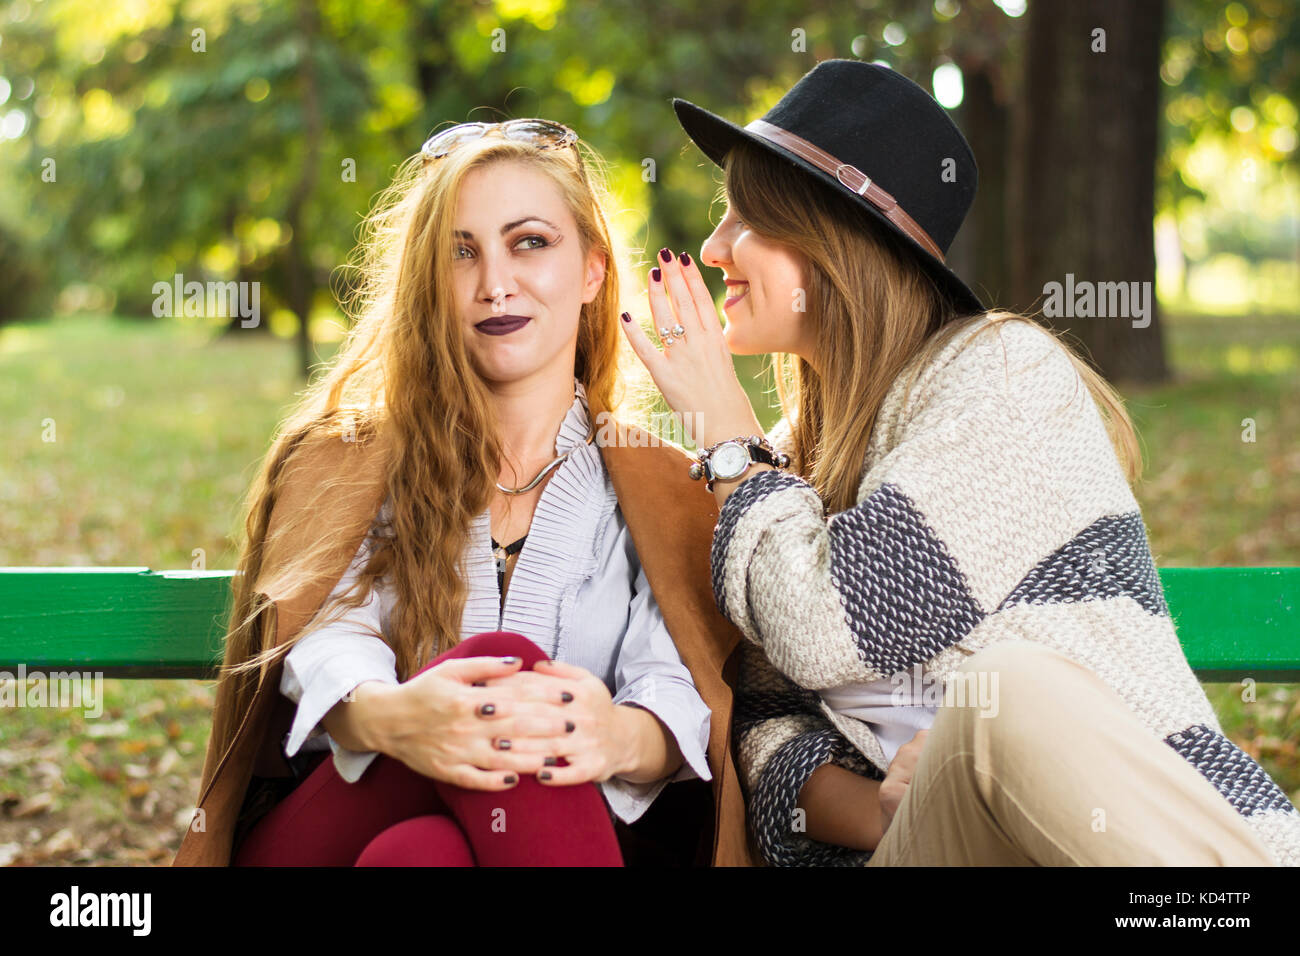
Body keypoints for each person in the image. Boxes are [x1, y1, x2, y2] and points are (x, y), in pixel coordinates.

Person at [620, 59, 1300, 866]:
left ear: (839, 244)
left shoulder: (1001, 376)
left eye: (747, 219)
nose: (712, 246)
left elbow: (823, 626)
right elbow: (768, 730)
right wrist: (879, 808)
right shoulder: (791, 459)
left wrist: (726, 439)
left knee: (1008, 693)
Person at [172, 118, 756, 868]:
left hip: (557, 836)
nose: (494, 284)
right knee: (503, 671)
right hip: (328, 827)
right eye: (461, 251)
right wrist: (390, 718)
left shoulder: (665, 491)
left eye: (530, 242)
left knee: (420, 856)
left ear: (591, 273)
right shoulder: (347, 465)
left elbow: (673, 689)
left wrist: (616, 734)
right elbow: (323, 638)